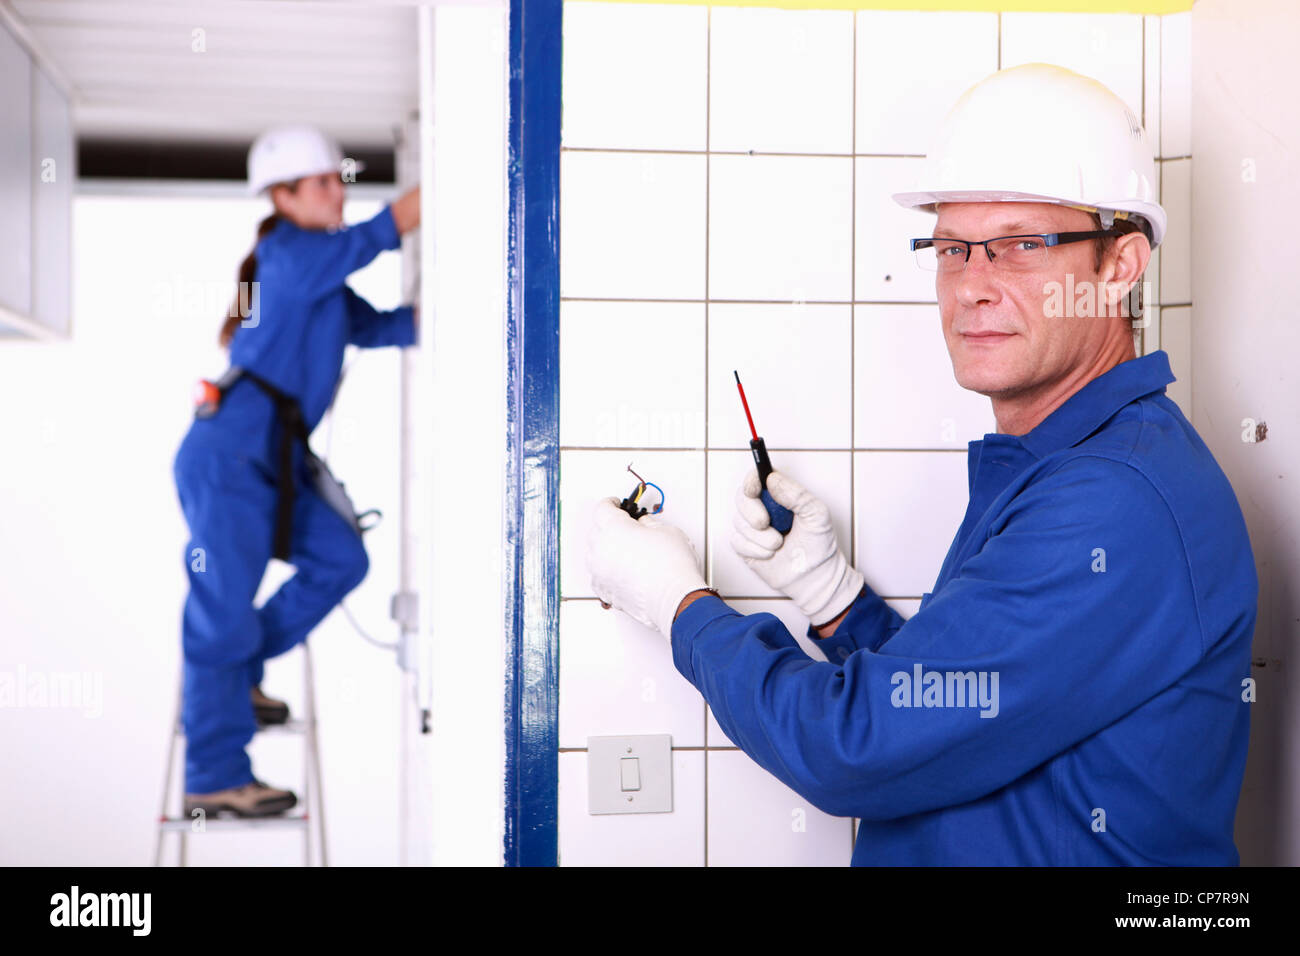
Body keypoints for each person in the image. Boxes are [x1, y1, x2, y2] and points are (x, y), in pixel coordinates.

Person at [584, 64, 1258, 865]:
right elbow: (970, 707)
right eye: (951, 248)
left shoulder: (1115, 501)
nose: (973, 287)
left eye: (1023, 245)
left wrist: (678, 604)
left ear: (1121, 264)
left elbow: (856, 749)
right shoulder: (1065, 465)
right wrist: (835, 599)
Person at [173, 125, 421, 817]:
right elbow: (366, 241)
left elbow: (385, 327)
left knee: (340, 558)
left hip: (273, 460)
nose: (337, 191)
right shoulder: (289, 255)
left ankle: (238, 673)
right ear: (281, 198)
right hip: (229, 457)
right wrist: (428, 199)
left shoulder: (319, 280)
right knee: (219, 615)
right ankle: (214, 774)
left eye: (339, 179)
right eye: (322, 183)